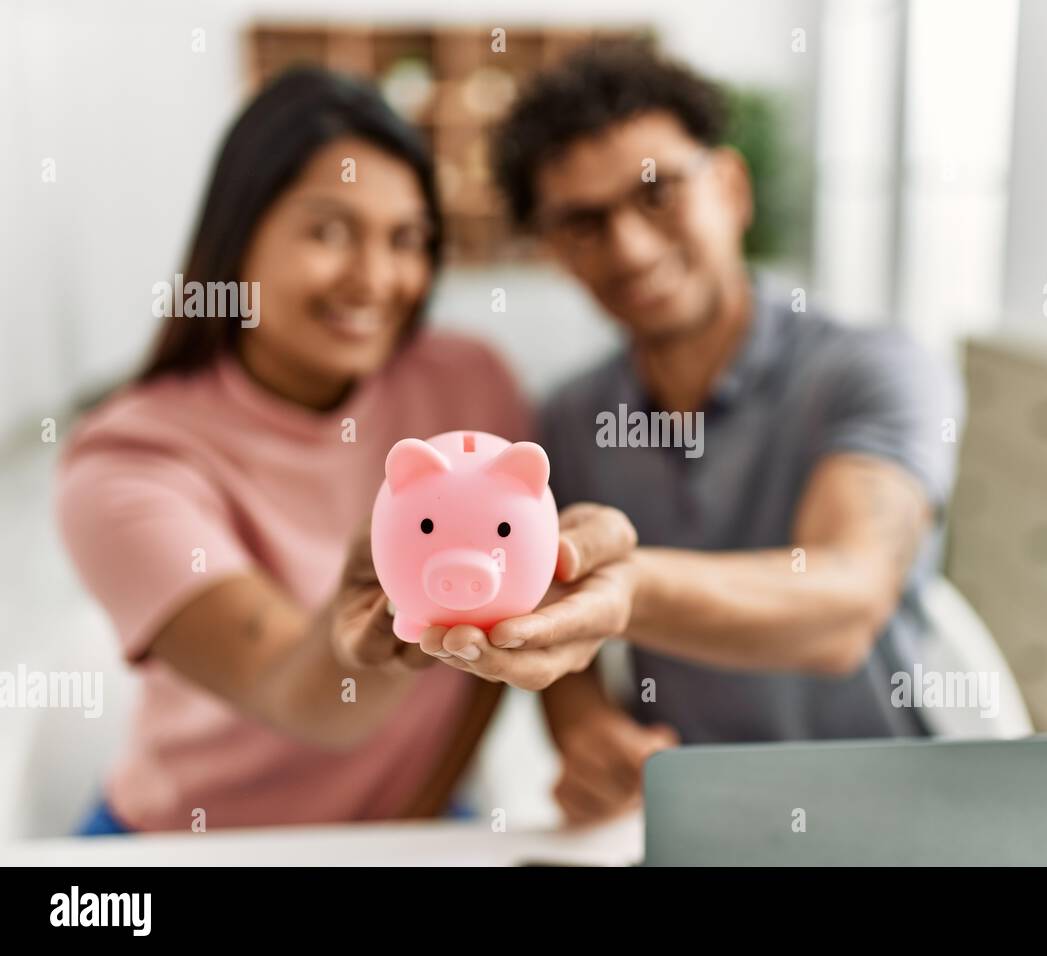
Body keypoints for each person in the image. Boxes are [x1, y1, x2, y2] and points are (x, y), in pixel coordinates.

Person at [56, 67, 633, 835]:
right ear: (235, 235)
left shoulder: (468, 386)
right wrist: (368, 617)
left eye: (406, 240)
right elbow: (292, 692)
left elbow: (492, 643)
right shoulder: (125, 462)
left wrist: (453, 791)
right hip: (191, 845)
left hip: (416, 827)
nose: (374, 279)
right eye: (329, 230)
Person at [459, 41, 965, 824]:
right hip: (692, 821)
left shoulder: (872, 370)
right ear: (556, 251)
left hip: (894, 819)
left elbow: (846, 602)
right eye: (583, 223)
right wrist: (588, 730)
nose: (628, 246)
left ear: (730, 187)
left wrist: (627, 588)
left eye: (656, 194)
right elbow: (555, 623)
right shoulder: (567, 421)